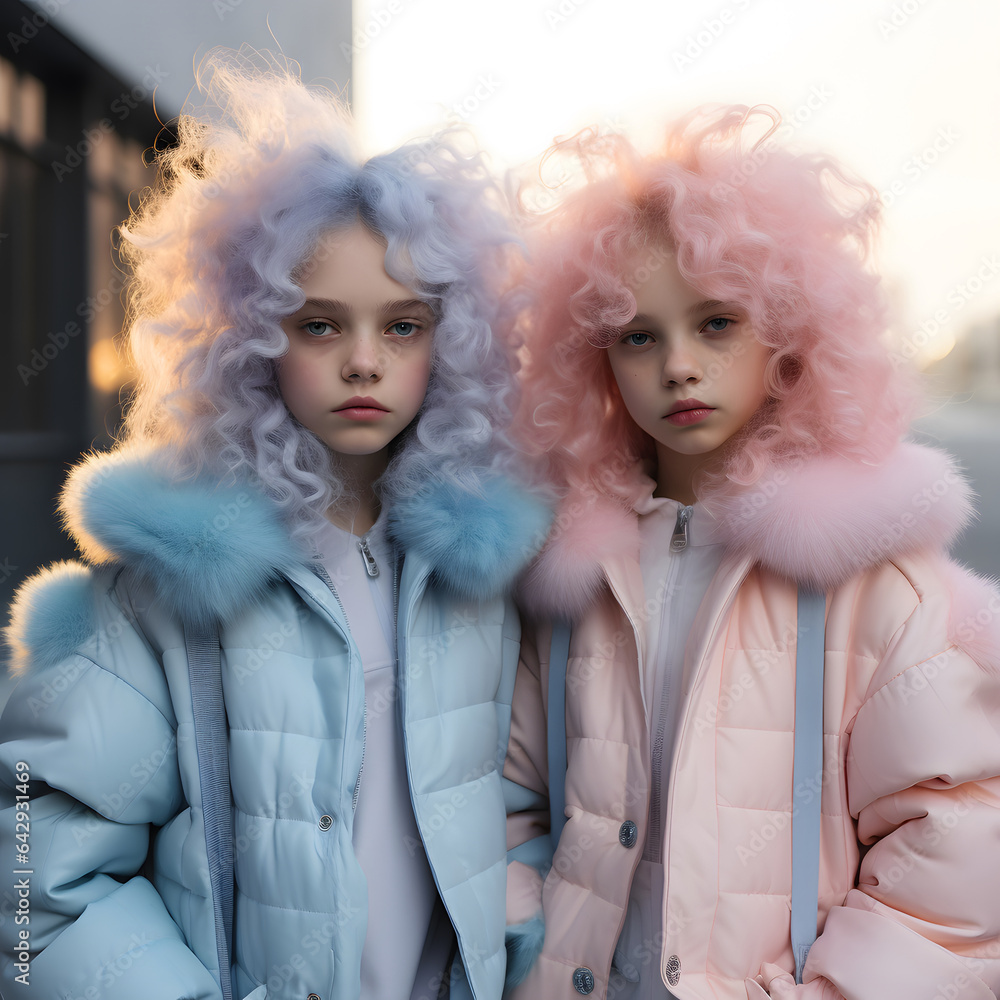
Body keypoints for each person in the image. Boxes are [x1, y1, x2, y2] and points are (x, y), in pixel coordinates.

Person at [0, 52, 549, 1000]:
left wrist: (516, 935)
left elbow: (520, 808)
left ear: (454, 340)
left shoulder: (486, 573)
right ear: (249, 333)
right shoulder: (160, 584)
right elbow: (30, 876)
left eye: (405, 325)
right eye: (320, 324)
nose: (365, 362)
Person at [501, 106, 1000, 999]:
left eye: (718, 322)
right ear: (594, 359)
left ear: (789, 333)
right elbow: (513, 799)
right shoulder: (574, 575)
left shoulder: (876, 579)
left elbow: (953, 848)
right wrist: (530, 944)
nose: (679, 366)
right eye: (639, 335)